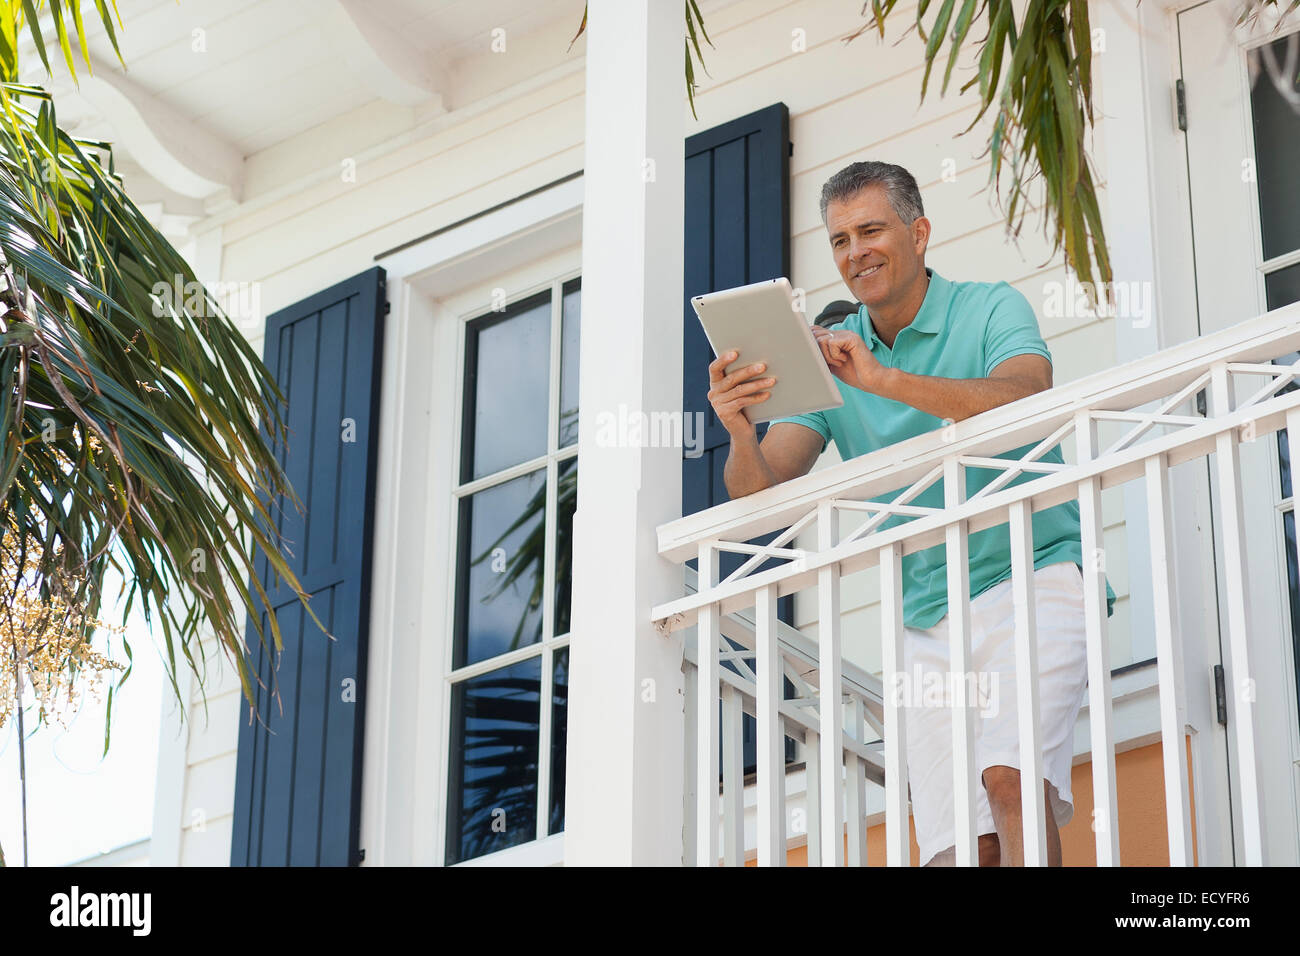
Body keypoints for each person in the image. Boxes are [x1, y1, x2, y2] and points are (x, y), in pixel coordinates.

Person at [705, 160, 1115, 867]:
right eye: (839, 240)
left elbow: (1025, 397)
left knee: (1011, 781)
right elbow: (758, 491)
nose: (854, 251)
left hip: (1035, 576)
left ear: (918, 232)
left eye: (871, 229)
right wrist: (741, 428)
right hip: (926, 615)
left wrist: (885, 380)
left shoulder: (991, 306)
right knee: (962, 843)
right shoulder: (828, 356)